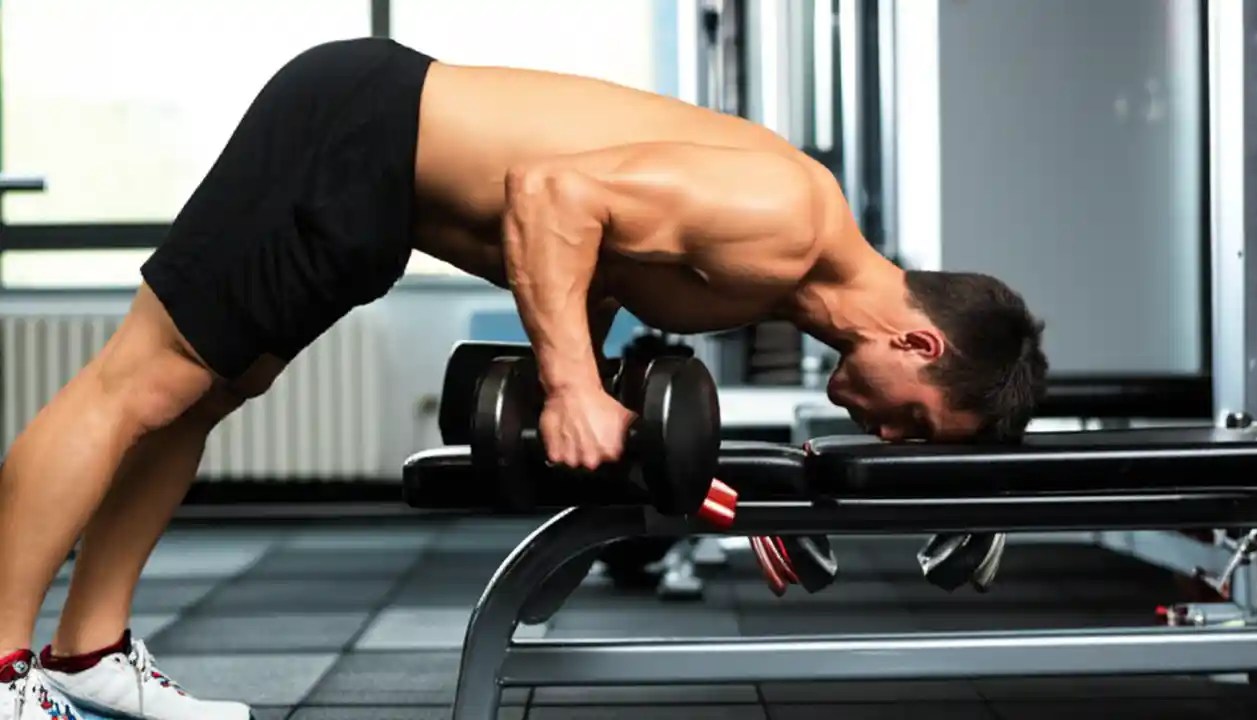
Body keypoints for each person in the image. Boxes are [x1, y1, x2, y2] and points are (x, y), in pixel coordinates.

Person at [0, 37, 1047, 719]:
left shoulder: (775, 284)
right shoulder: (787, 221)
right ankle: (5, 671)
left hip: (386, 186)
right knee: (139, 384)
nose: (894, 439)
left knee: (206, 393)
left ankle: (88, 654)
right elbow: (550, 195)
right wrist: (573, 392)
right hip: (356, 128)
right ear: (919, 348)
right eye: (917, 425)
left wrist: (618, 406)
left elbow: (595, 270)